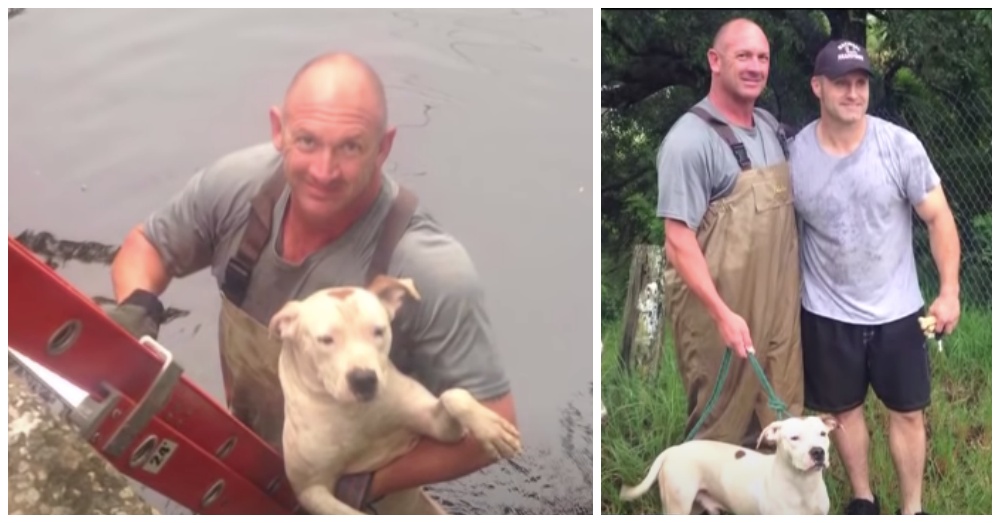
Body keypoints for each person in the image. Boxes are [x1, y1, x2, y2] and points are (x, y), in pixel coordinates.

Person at [105, 52, 517, 514]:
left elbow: (494, 429)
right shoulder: (239, 189)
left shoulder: (429, 268)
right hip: (253, 458)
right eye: (307, 141)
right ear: (278, 130)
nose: (323, 171)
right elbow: (147, 246)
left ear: (384, 148)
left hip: (366, 490)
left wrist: (365, 485)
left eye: (350, 147)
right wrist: (139, 306)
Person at [789, 39, 961, 516]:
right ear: (817, 87)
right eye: (842, 83)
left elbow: (939, 218)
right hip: (825, 311)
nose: (853, 92)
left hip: (898, 309)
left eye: (861, 82)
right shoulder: (795, 156)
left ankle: (912, 509)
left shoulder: (899, 146)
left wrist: (948, 292)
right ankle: (863, 500)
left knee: (907, 411)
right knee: (842, 412)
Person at [655, 17, 804, 449]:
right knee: (720, 422)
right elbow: (678, 242)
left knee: (783, 414)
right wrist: (722, 313)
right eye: (744, 56)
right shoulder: (689, 141)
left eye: (763, 57)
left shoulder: (772, 129)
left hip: (778, 310)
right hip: (718, 309)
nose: (756, 66)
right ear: (715, 61)